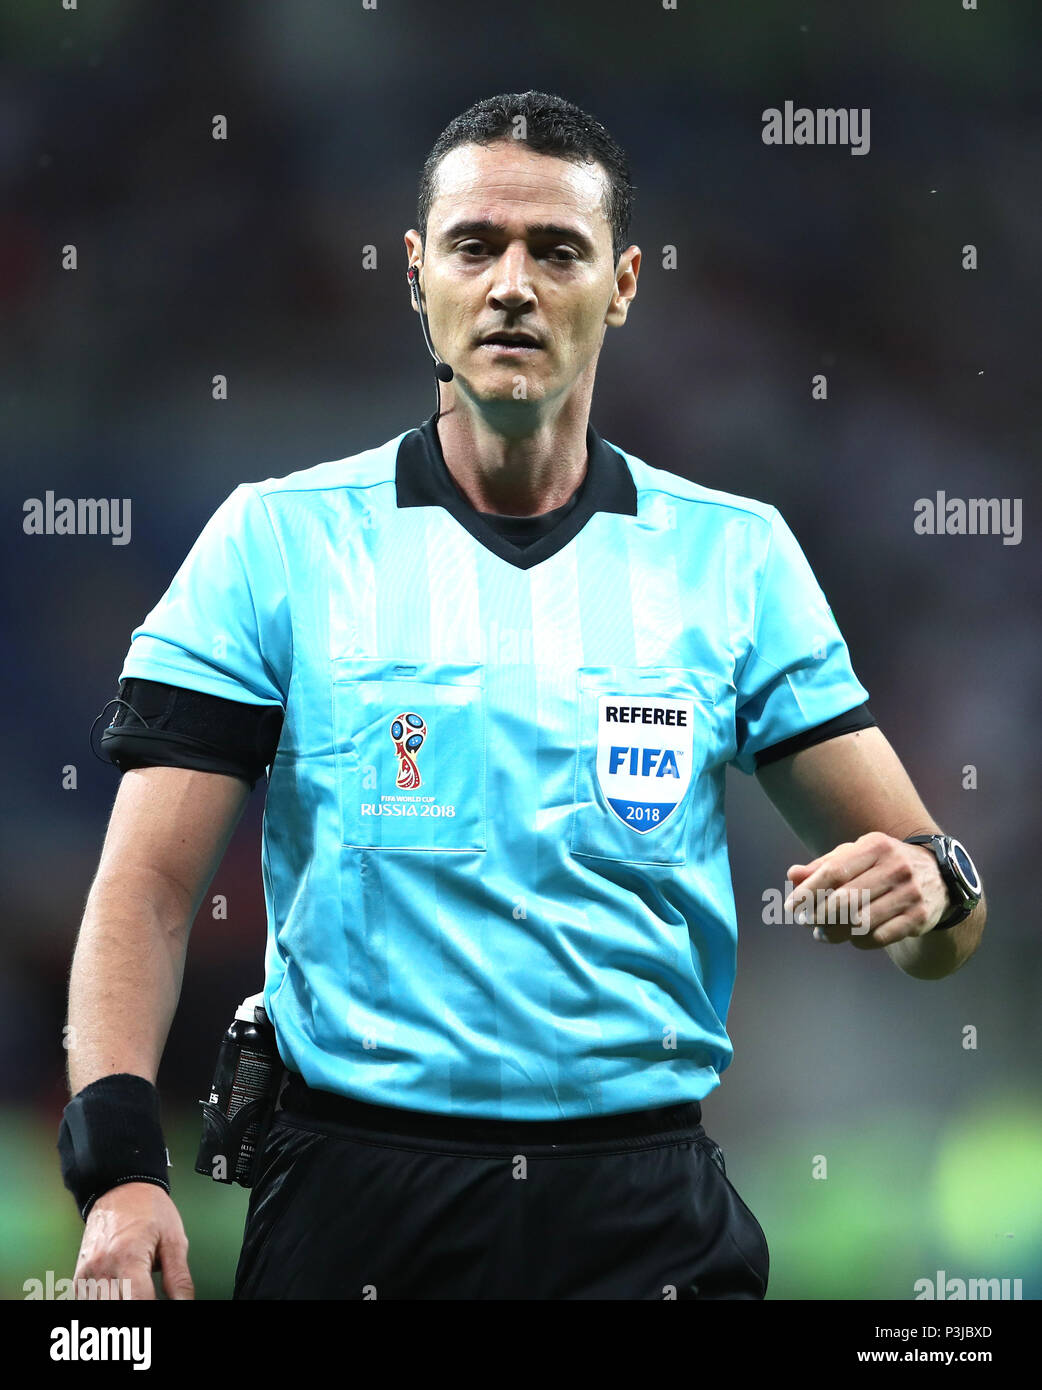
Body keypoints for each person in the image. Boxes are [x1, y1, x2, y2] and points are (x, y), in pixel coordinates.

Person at [60, 90, 986, 1301]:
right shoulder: (273, 543)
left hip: (643, 1211)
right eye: (474, 245)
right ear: (415, 273)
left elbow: (940, 919)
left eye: (555, 251)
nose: (511, 283)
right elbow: (146, 890)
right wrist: (121, 1170)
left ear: (624, 284)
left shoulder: (735, 556)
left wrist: (929, 886)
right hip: (357, 1200)